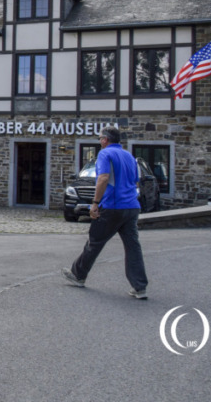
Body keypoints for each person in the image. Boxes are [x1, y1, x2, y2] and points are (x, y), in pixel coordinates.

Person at [61, 126, 149, 299]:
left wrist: (95, 203)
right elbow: (136, 182)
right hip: (132, 207)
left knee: (95, 241)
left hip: (112, 207)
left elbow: (103, 178)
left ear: (105, 140)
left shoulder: (104, 154)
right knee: (133, 247)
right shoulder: (129, 156)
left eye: (100, 138)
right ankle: (139, 287)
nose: (99, 141)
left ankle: (78, 276)